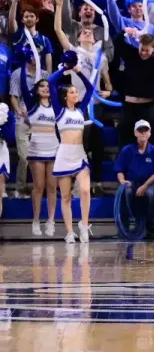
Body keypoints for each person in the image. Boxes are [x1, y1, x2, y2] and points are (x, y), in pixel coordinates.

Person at [49, 55, 98, 243]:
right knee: (66, 196)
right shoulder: (59, 110)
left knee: (85, 190)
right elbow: (51, 82)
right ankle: (69, 232)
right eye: (72, 92)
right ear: (65, 96)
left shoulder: (81, 109)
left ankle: (84, 225)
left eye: (76, 92)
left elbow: (91, 88)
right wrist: (64, 68)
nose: (76, 94)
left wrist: (78, 72)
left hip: (79, 154)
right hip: (64, 155)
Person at [12, 46, 57, 236]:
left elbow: (54, 80)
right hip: (37, 150)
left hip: (54, 149)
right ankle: (36, 220)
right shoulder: (31, 105)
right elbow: (22, 84)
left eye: (48, 86)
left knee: (52, 187)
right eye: (42, 87)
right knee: (38, 186)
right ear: (37, 90)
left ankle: (51, 220)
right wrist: (24, 64)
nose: (46, 89)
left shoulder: (56, 104)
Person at [114, 120, 154, 238]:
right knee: (124, 191)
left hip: (148, 183)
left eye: (145, 131)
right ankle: (124, 228)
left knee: (150, 194)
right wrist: (122, 181)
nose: (143, 133)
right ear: (135, 133)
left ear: (149, 133)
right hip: (131, 181)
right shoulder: (127, 150)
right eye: (140, 131)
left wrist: (145, 185)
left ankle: (150, 228)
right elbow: (119, 169)